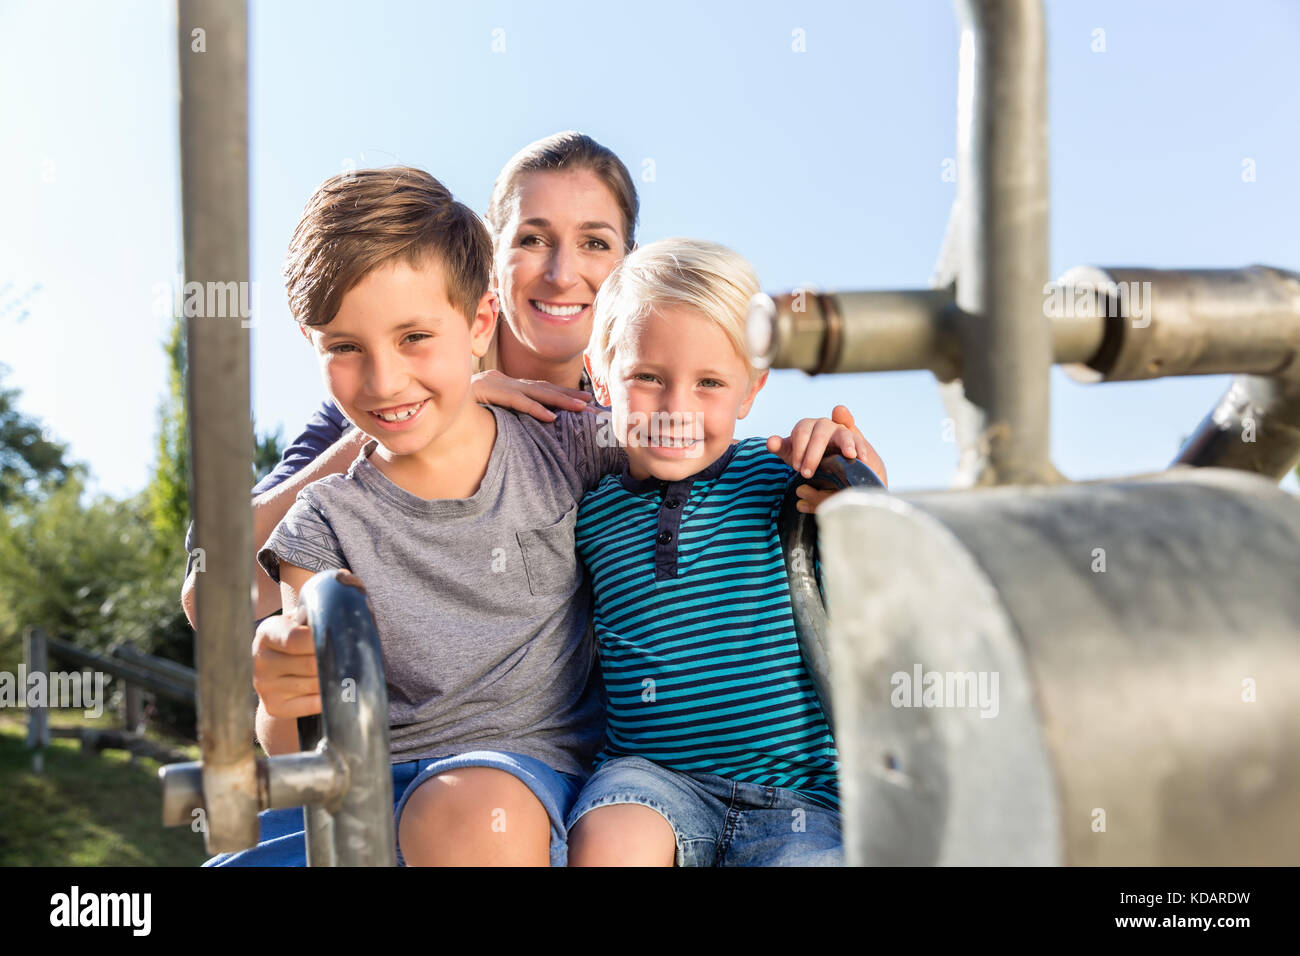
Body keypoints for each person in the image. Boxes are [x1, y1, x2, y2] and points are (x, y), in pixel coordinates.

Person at [206, 166, 871, 867]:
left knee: (471, 816)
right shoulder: (320, 514)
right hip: (363, 796)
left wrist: (847, 474)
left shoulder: (569, 443)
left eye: (415, 339)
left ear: (478, 323)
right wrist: (279, 696)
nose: (384, 380)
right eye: (344, 347)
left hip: (514, 786)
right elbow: (298, 739)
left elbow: (688, 439)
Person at [179, 130, 889, 628]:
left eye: (595, 243)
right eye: (531, 238)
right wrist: (439, 420)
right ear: (489, 257)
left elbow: (753, 524)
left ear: (628, 265)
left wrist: (840, 477)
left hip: (600, 776)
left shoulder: (643, 421)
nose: (561, 272)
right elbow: (216, 597)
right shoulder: (388, 394)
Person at [565, 239, 854, 866]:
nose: (675, 409)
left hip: (801, 798)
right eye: (647, 377)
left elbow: (877, 550)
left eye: (710, 383)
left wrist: (851, 478)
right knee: (607, 842)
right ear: (600, 375)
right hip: (649, 779)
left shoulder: (784, 480)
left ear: (750, 391)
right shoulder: (590, 513)